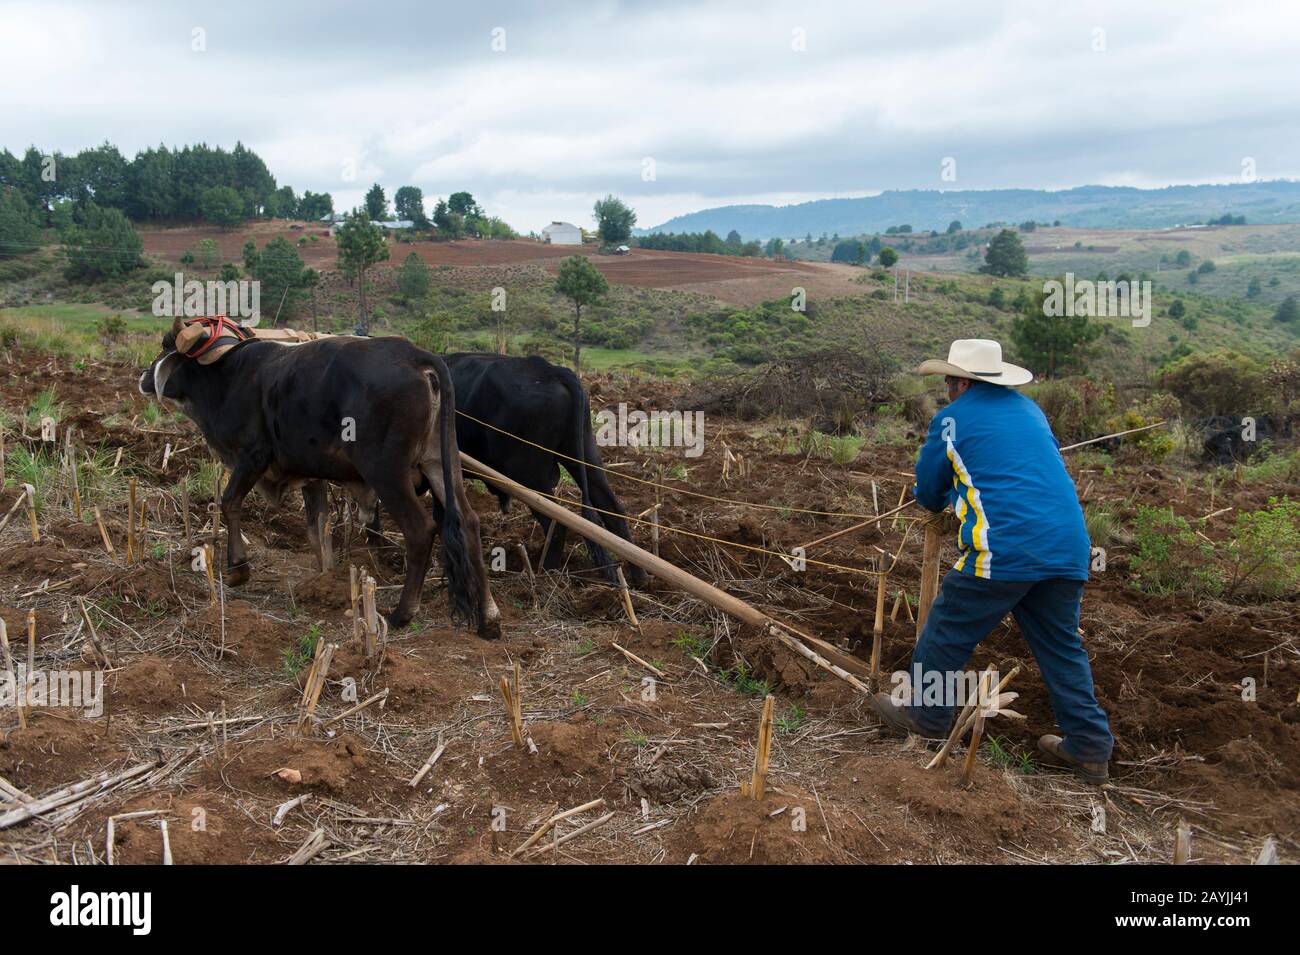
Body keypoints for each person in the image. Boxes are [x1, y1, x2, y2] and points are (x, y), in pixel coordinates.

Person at [869, 339, 1114, 783]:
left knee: (945, 632)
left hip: (1005, 548)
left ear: (962, 381)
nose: (946, 386)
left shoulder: (952, 419)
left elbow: (928, 489)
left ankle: (926, 715)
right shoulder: (1031, 411)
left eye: (948, 379)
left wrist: (943, 502)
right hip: (1067, 548)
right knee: (1061, 648)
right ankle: (1090, 747)